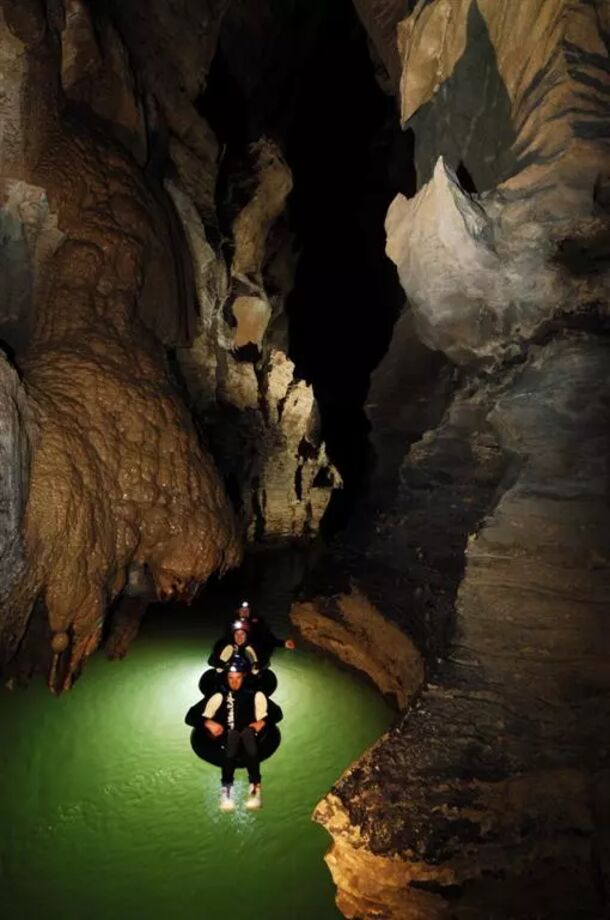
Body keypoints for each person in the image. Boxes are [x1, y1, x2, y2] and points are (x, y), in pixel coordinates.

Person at [202, 660, 268, 811]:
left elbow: (275, 715)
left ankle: (255, 788)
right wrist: (208, 723)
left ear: (244, 676)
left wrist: (262, 722)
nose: (234, 682)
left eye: (238, 677)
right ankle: (226, 789)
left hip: (248, 735)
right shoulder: (219, 695)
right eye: (231, 678)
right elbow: (195, 717)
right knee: (231, 738)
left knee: (247, 735)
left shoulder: (254, 695)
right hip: (228, 736)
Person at [236, 600, 295, 665]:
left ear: (250, 612)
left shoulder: (257, 623)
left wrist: (283, 643)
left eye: (247, 610)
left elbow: (268, 637)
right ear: (238, 612)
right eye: (242, 610)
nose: (244, 612)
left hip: (255, 655)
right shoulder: (233, 624)